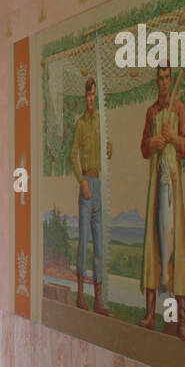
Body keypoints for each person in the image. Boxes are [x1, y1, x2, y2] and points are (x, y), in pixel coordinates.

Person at [138, 63, 185, 340]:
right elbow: (144, 148)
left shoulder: (178, 109)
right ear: (156, 81)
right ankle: (150, 313)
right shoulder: (152, 112)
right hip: (156, 187)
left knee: (176, 246)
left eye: (167, 77)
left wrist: (173, 138)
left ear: (171, 80)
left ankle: (179, 319)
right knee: (153, 244)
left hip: (174, 185)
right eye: (159, 78)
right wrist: (155, 141)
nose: (163, 82)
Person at [70, 77, 109, 315]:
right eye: (88, 95)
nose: (91, 99)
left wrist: (110, 149)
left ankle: (98, 301)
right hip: (85, 184)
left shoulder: (100, 123)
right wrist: (82, 181)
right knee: (83, 242)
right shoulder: (81, 124)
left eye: (94, 95)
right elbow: (72, 155)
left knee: (99, 246)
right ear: (84, 97)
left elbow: (106, 149)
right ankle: (81, 297)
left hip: (98, 186)